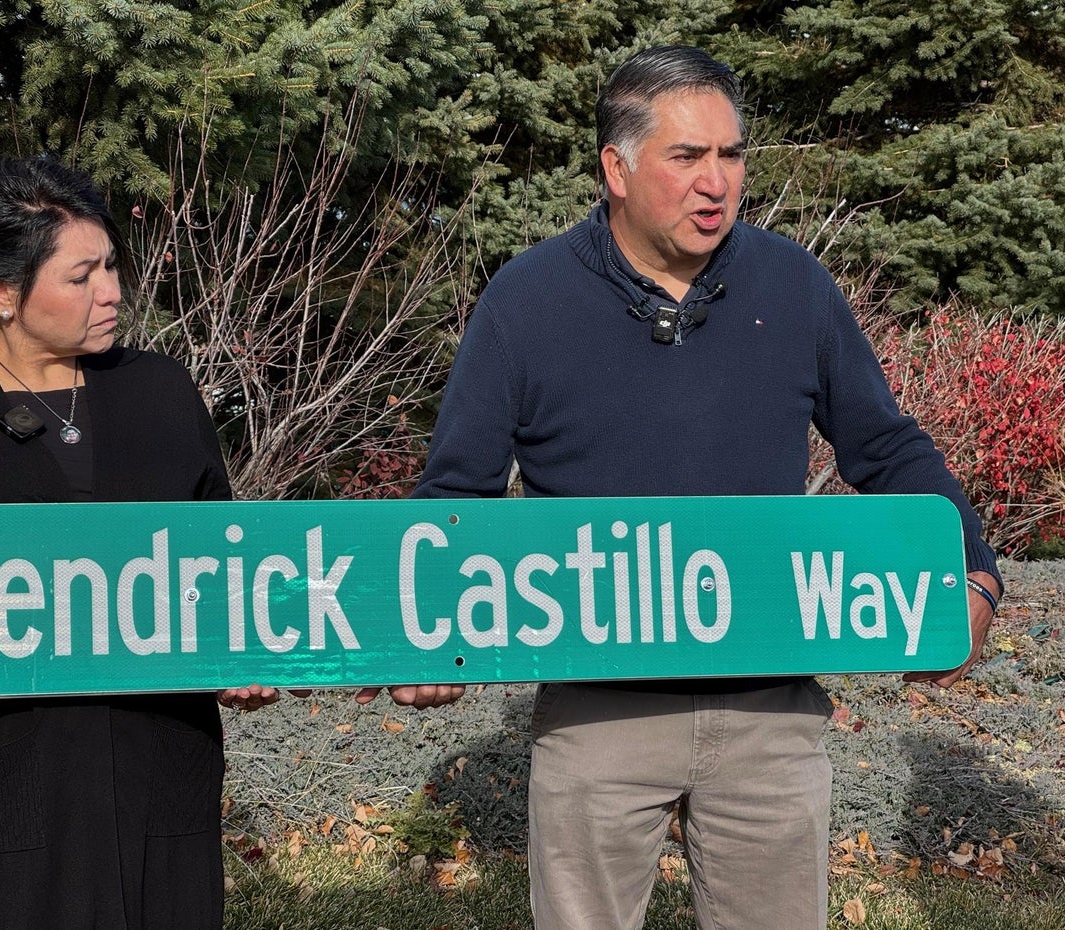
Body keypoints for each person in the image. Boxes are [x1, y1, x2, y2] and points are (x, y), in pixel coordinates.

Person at [411, 45, 1003, 930]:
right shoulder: (524, 302)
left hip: (769, 713)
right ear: (615, 168)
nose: (716, 182)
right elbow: (454, 494)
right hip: (596, 713)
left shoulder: (794, 284)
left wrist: (977, 574)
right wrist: (428, 633)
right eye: (686, 157)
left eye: (730, 156)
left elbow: (886, 449)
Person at [0, 157, 282, 929]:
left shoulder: (162, 393)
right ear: (4, 293)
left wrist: (238, 652)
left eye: (111, 266)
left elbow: (219, 565)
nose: (111, 291)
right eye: (81, 276)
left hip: (156, 783)